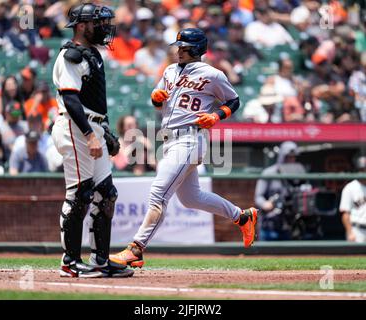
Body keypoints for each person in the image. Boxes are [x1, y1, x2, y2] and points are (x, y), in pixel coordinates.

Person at [110, 28, 258, 268]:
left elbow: (234, 100)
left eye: (184, 47)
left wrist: (217, 115)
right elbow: (158, 103)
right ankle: (242, 217)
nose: (179, 51)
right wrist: (156, 98)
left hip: (190, 139)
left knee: (158, 193)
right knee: (191, 198)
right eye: (178, 47)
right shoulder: (169, 70)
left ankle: (136, 249)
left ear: (197, 49)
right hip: (169, 139)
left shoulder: (213, 74)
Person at [51, 3, 133, 278]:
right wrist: (89, 134)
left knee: (107, 193)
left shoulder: (93, 54)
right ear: (82, 25)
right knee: (79, 195)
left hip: (92, 127)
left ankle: (100, 260)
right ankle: (69, 262)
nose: (104, 28)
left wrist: (105, 132)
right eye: (98, 23)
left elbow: (95, 101)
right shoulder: (70, 55)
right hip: (75, 128)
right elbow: (71, 99)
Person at [254, 141, 306, 240]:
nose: (291, 159)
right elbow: (258, 197)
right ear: (282, 156)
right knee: (265, 255)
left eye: (293, 157)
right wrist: (265, 204)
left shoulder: (298, 173)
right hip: (270, 223)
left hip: (289, 224)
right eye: (288, 157)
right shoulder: (269, 172)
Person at [339, 156, 366, 243]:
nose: (364, 172)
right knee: (356, 256)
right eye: (362, 170)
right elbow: (345, 214)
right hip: (357, 230)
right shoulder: (350, 187)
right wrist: (350, 232)